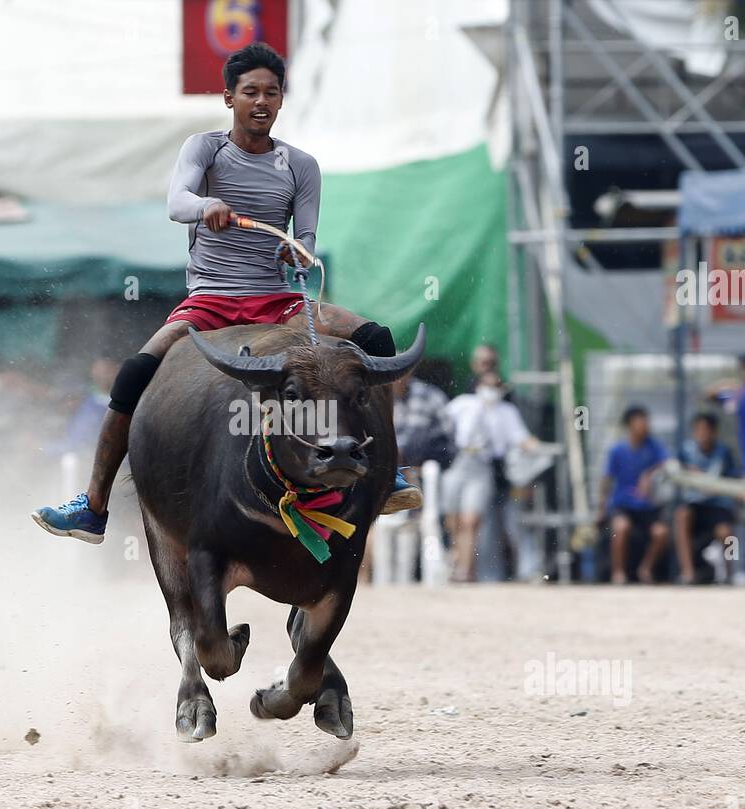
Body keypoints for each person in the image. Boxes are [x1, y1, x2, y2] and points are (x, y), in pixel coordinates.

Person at [31, 42, 419, 543]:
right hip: (210, 301)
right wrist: (205, 206)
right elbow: (177, 201)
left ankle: (387, 472)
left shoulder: (301, 166)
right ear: (228, 98)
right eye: (250, 91)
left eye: (272, 92)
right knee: (133, 373)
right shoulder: (204, 148)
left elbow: (305, 238)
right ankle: (95, 504)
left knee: (375, 338)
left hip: (278, 302)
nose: (261, 101)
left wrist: (298, 251)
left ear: (282, 100)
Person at [441, 365, 538, 583]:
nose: (491, 390)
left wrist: (539, 448)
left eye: (495, 386)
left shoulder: (506, 412)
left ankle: (466, 570)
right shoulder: (462, 404)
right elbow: (442, 424)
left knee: (471, 520)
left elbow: (522, 438)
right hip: (456, 462)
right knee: (453, 518)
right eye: (487, 385)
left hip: (483, 465)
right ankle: (456, 559)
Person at [597, 405, 669, 584]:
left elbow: (669, 464)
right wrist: (601, 508)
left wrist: (649, 474)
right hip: (623, 505)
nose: (645, 425)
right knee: (621, 528)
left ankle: (646, 569)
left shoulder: (654, 447)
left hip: (647, 507)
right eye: (641, 422)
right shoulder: (617, 450)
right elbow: (607, 480)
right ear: (629, 425)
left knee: (661, 533)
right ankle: (618, 572)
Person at [673, 412, 740, 585]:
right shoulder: (686, 451)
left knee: (728, 534)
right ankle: (688, 572)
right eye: (699, 430)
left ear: (714, 432)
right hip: (696, 505)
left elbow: (733, 480)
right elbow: (674, 472)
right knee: (681, 516)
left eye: (706, 430)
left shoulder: (724, 452)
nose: (703, 434)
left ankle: (730, 573)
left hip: (718, 505)